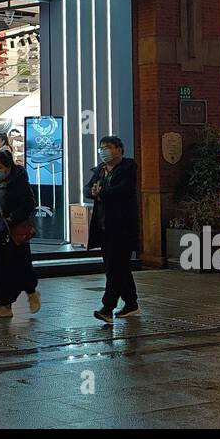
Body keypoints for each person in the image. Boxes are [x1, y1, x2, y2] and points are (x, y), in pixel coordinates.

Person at [85, 135, 139, 323]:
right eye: (101, 148)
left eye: (107, 147)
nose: (103, 151)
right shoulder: (100, 170)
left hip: (122, 227)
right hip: (103, 227)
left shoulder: (128, 168)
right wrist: (93, 192)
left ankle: (107, 308)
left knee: (115, 269)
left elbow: (122, 192)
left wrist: (101, 193)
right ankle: (131, 303)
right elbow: (88, 188)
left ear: (119, 149)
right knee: (118, 267)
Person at [0, 149, 40, 319]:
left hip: (13, 235)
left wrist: (11, 218)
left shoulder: (19, 183)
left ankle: (32, 293)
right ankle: (4, 306)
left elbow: (29, 204)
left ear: (8, 167)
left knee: (21, 268)